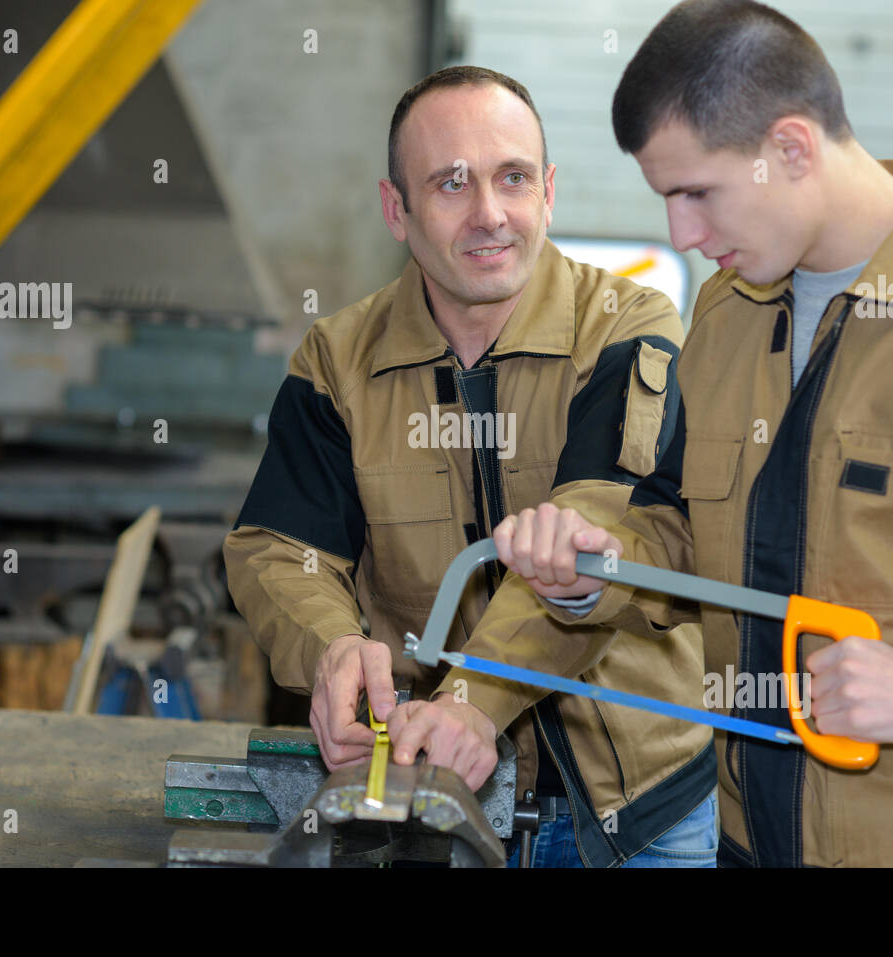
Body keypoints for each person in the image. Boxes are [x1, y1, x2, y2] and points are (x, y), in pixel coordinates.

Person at [409, 0, 893, 867]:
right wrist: (594, 567)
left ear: (791, 147)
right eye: (667, 199)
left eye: (697, 193)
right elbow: (675, 526)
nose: (681, 235)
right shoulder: (727, 312)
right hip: (744, 841)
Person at [223, 66, 718, 867]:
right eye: (451, 183)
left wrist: (473, 698)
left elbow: (599, 526)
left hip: (641, 819)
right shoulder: (337, 361)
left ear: (548, 190)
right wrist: (331, 647)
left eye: (512, 178)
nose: (491, 214)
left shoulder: (629, 324)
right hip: (427, 812)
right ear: (397, 210)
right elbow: (279, 548)